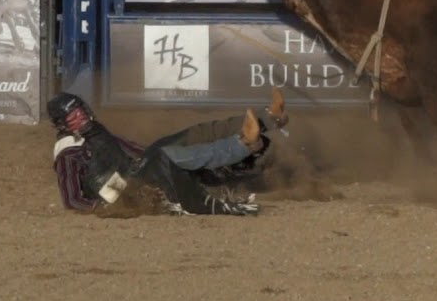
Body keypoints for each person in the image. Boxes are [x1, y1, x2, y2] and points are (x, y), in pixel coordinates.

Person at [50, 90, 290, 216]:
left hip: (137, 173)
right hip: (130, 191)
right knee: (172, 155)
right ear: (63, 125)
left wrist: (152, 155)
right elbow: (72, 200)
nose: (81, 117)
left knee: (191, 136)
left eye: (81, 111)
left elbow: (132, 150)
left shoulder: (97, 133)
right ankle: (244, 144)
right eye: (73, 117)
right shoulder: (68, 153)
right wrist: (107, 207)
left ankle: (268, 117)